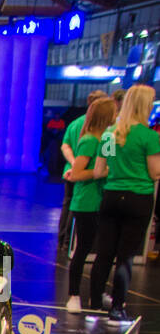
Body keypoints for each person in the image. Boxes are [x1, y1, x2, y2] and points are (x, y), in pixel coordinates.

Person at [88, 84, 160, 324]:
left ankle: (95, 303)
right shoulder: (149, 137)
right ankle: (117, 308)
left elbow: (99, 169)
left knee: (104, 253)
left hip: (110, 196)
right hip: (138, 198)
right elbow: (155, 172)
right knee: (125, 256)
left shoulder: (110, 134)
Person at [63, 96, 116, 312]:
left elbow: (111, 165)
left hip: (105, 201)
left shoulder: (108, 139)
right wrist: (98, 173)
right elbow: (76, 174)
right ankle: (74, 295)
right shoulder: (89, 140)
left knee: (105, 252)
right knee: (83, 250)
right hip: (86, 203)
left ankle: (98, 294)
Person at [58, 89, 109, 252]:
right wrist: (77, 167)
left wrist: (73, 164)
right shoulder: (94, 138)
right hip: (89, 191)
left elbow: (65, 145)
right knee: (83, 246)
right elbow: (100, 169)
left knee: (69, 206)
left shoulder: (108, 137)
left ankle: (64, 240)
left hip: (89, 188)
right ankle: (67, 241)